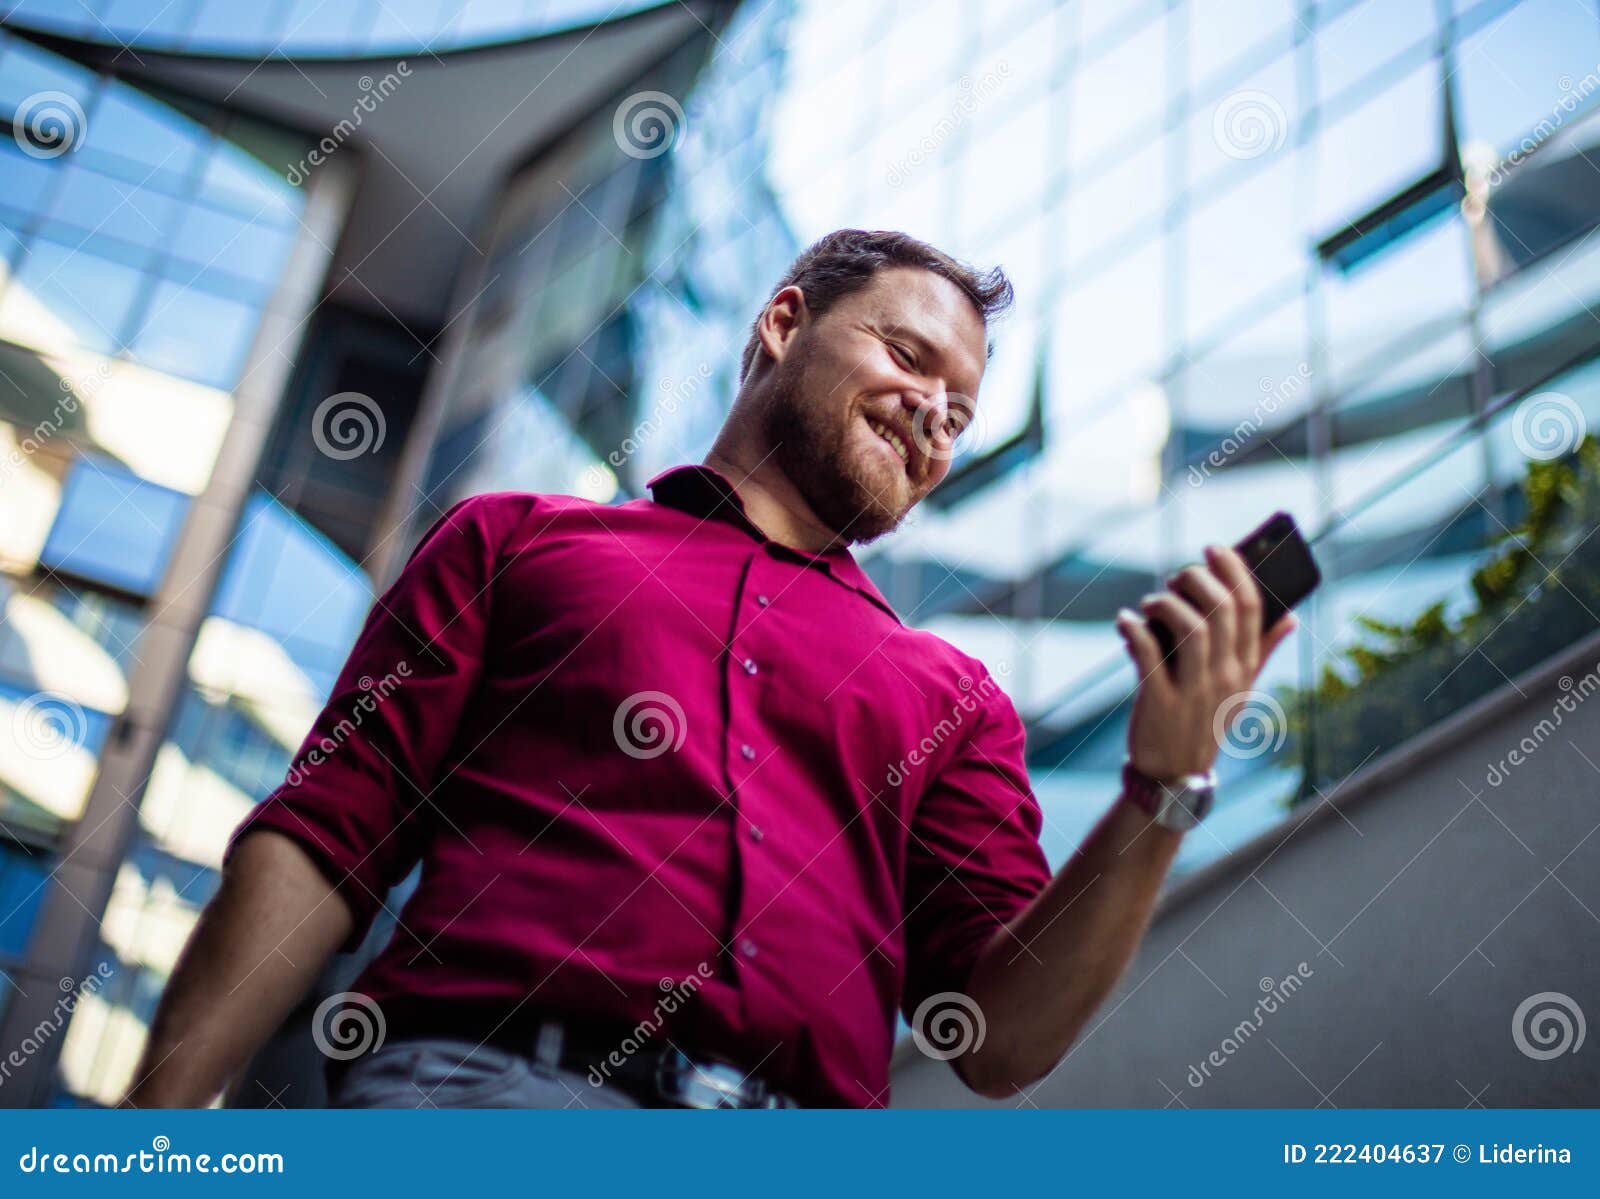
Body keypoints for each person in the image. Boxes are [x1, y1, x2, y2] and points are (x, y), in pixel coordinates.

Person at [125, 228, 1295, 1109]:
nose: (933, 413)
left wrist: (1160, 787)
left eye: (960, 410)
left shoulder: (956, 702)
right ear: (784, 323)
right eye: (907, 354)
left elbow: (995, 1037)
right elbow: (325, 838)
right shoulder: (516, 541)